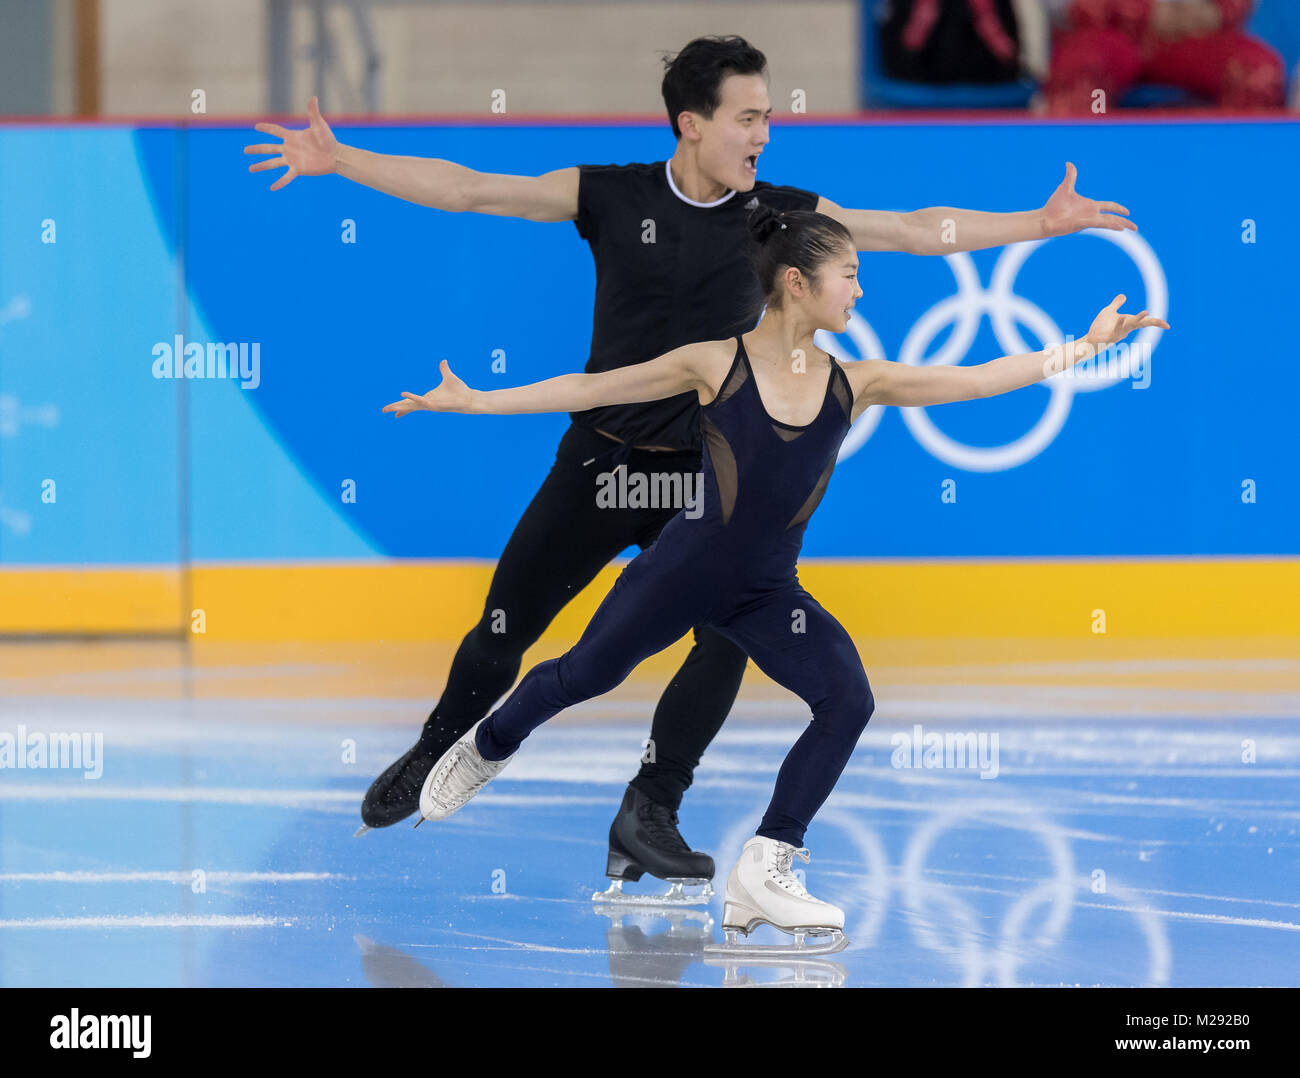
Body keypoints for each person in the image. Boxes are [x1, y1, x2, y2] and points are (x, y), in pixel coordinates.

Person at [245, 35, 1138, 894]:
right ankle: (443, 741)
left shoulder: (780, 217)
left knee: (722, 643)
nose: (764, 134)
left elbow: (910, 230)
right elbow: (476, 190)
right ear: (691, 125)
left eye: (768, 117)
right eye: (748, 117)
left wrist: (1040, 225)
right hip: (603, 460)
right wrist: (346, 161)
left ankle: (652, 807)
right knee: (506, 629)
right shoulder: (612, 195)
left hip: (707, 483)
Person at [388, 206, 1169, 941]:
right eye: (851, 274)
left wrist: (1086, 346)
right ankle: (489, 743)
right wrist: (477, 403)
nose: (863, 289)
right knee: (582, 676)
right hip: (677, 575)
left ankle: (765, 866)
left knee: (847, 699)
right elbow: (594, 391)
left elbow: (976, 379)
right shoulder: (712, 363)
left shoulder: (856, 381)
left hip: (766, 593)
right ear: (797, 282)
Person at [1044, 0, 1286, 113]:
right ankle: (1077, 168)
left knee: (1255, 68)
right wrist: (1144, 10)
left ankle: (1238, 173)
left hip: (1195, 38)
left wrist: (1210, 13)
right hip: (1108, 33)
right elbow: (1061, 8)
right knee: (1086, 64)